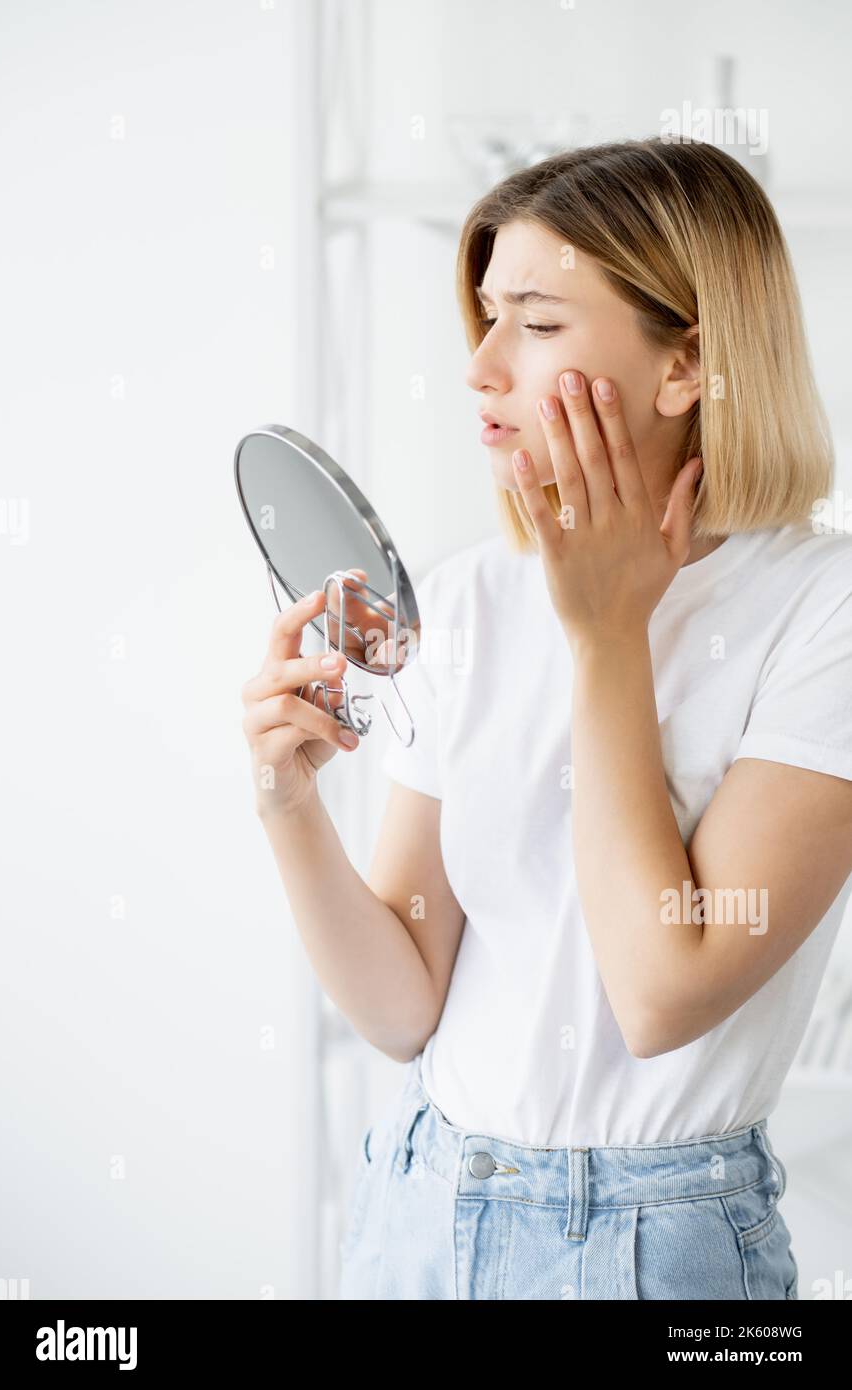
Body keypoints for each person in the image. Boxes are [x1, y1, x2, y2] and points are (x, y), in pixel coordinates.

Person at [240, 137, 852, 1300]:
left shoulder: (823, 612)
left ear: (688, 364)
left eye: (534, 320)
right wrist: (286, 804)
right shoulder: (471, 596)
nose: (476, 365)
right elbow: (402, 1003)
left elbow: (661, 988)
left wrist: (605, 632)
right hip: (422, 1208)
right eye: (481, 316)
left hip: (661, 1248)